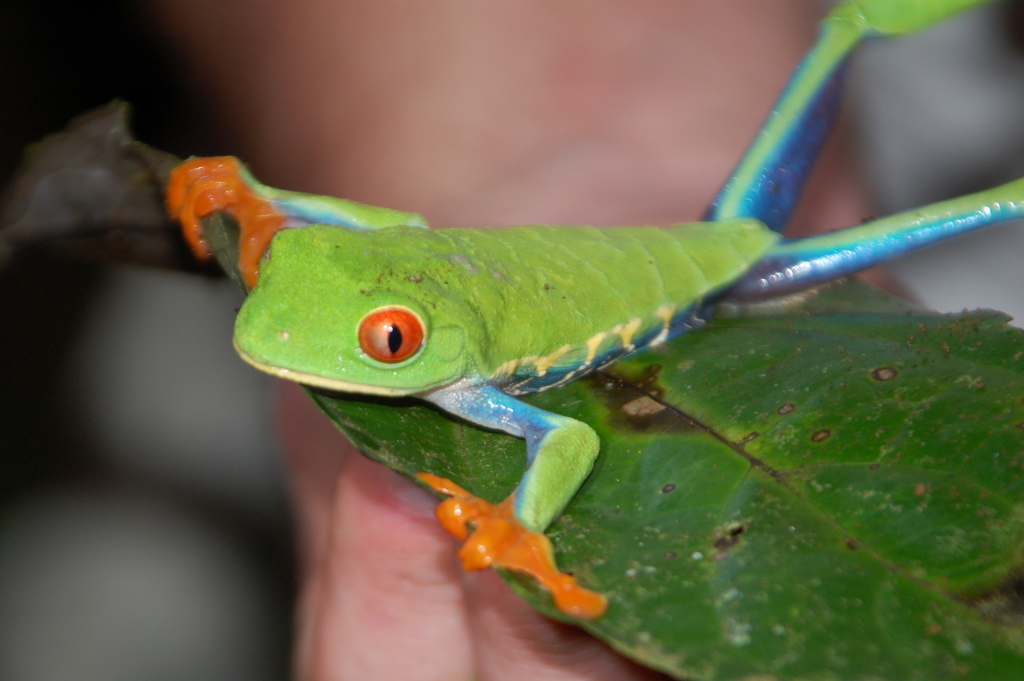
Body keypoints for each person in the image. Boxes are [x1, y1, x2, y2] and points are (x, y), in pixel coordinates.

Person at [152, 2, 865, 678]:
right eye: (280, 262)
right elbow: (388, 229)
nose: (265, 320)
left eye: (392, 338)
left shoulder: (473, 384)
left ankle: (852, 32)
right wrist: (271, 205)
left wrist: (523, 521)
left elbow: (565, 437)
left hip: (706, 281)